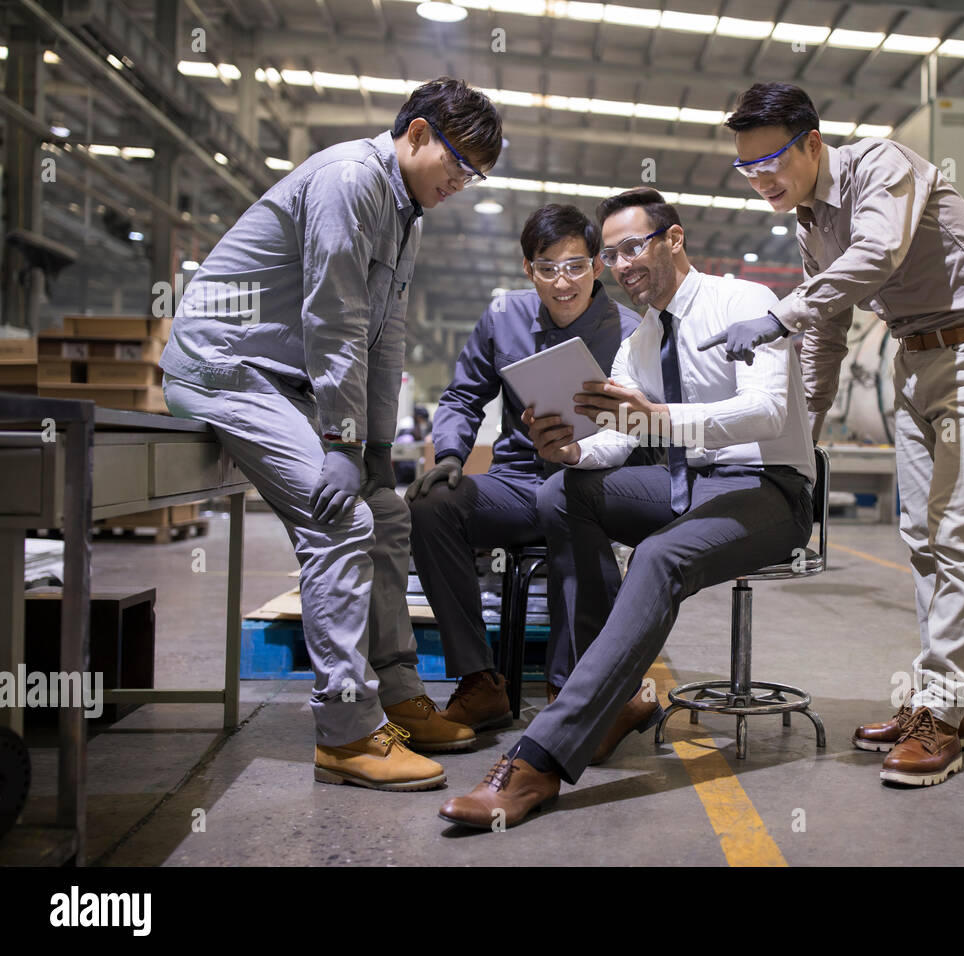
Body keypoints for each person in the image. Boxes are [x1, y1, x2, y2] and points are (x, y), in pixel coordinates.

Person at [160, 78, 503, 791]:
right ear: (417, 133)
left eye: (476, 175)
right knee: (340, 517)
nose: (463, 183)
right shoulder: (350, 180)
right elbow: (334, 319)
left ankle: (401, 698)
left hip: (284, 376)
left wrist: (374, 450)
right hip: (225, 362)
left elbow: (385, 336)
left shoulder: (408, 212)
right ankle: (346, 735)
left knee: (384, 510)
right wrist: (343, 447)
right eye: (460, 165)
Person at [437, 187, 816, 829]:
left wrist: (663, 420)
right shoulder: (640, 341)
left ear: (674, 239)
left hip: (767, 487)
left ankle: (538, 762)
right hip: (685, 486)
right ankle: (606, 698)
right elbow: (617, 437)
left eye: (632, 246)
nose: (621, 264)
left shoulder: (742, 301)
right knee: (565, 493)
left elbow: (767, 411)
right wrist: (569, 451)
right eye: (610, 254)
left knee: (659, 555)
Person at [709, 82, 964, 787]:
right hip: (911, 360)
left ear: (813, 143)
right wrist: (805, 431)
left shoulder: (882, 166)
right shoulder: (811, 222)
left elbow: (877, 254)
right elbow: (827, 332)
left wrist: (781, 315)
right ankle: (944, 703)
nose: (760, 178)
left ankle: (940, 715)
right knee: (921, 538)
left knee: (957, 535)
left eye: (770, 161)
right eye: (746, 167)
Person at [404, 204, 640, 736]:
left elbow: (646, 430)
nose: (563, 282)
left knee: (572, 504)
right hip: (515, 482)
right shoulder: (503, 317)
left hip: (588, 483)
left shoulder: (630, 332)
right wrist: (448, 457)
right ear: (528, 268)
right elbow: (464, 397)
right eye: (548, 268)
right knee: (430, 505)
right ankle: (478, 680)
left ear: (598, 266)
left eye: (576, 266)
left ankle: (570, 688)